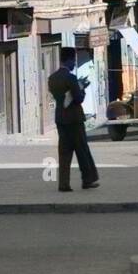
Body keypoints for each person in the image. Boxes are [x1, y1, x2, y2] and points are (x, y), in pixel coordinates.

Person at [47, 46, 98, 191]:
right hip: (74, 119)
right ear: (68, 60)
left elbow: (59, 97)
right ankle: (87, 179)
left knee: (64, 151)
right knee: (82, 149)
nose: (74, 63)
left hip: (60, 118)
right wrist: (82, 87)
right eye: (73, 61)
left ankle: (64, 183)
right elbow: (79, 98)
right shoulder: (71, 78)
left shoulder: (52, 78)